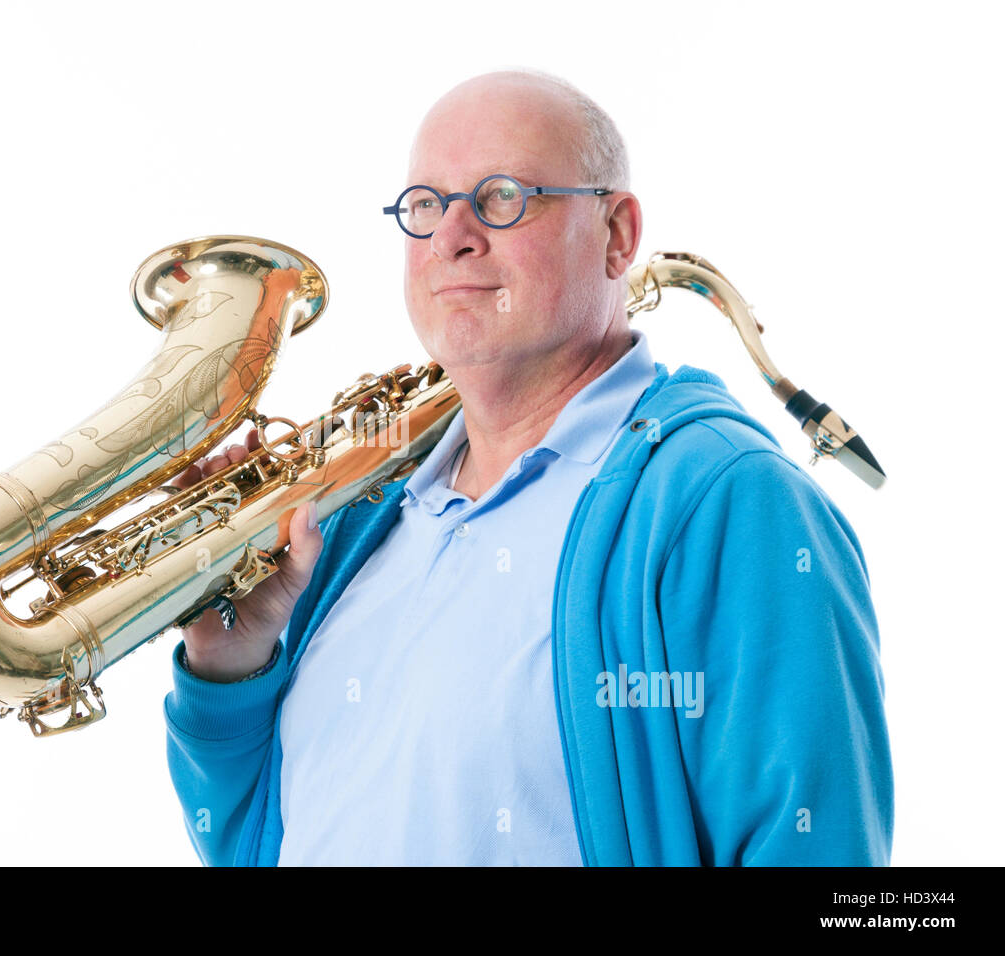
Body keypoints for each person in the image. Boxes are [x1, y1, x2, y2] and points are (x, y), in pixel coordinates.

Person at [163, 69, 894, 866]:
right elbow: (258, 840)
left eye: (502, 197)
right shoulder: (355, 521)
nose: (451, 237)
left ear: (618, 235)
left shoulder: (730, 500)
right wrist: (232, 672)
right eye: (425, 206)